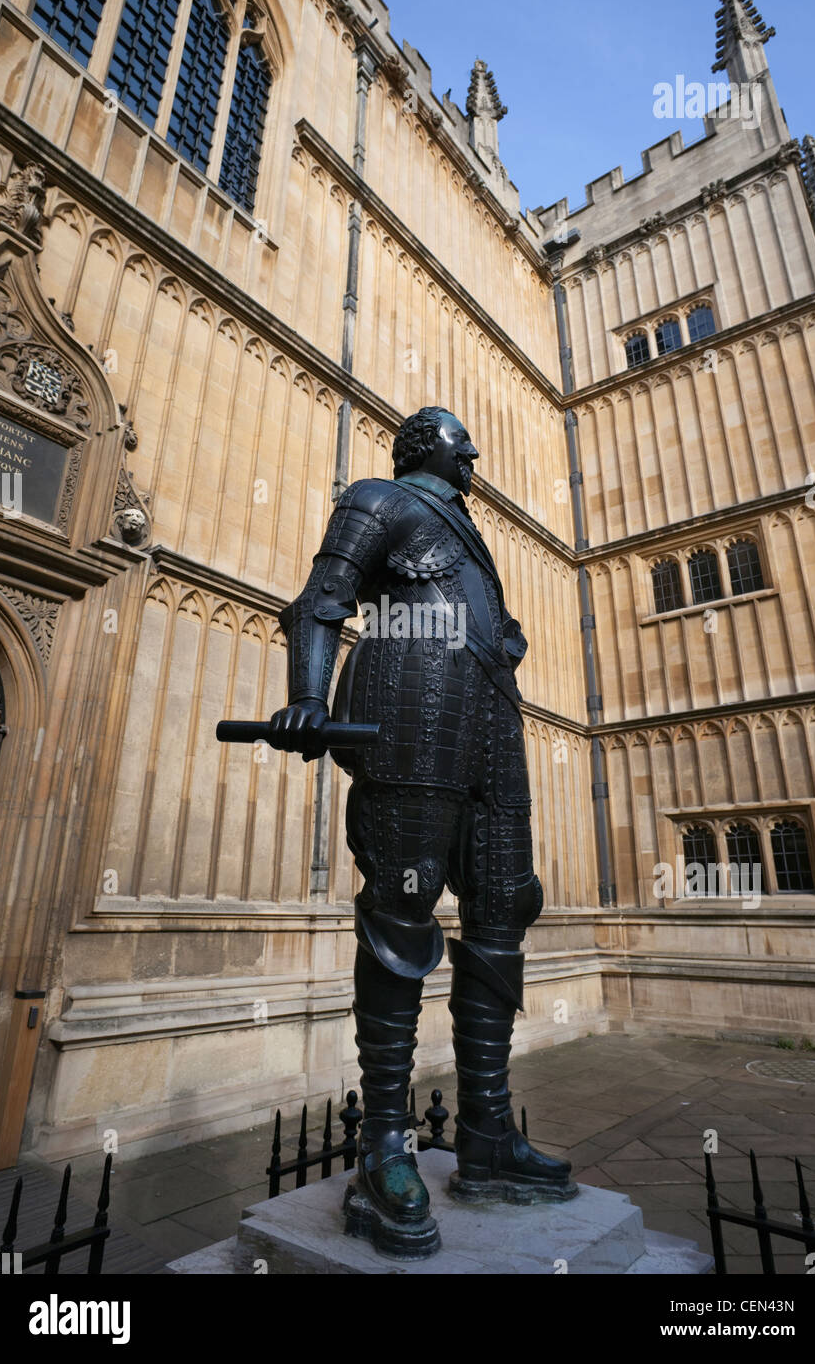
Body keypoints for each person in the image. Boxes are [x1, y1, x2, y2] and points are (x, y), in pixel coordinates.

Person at [271, 406, 577, 1257]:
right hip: (408, 708)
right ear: (421, 450)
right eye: (458, 441)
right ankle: (384, 1148)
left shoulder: (469, 535)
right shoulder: (378, 498)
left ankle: (485, 1137)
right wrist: (306, 696)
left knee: (504, 904)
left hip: (488, 719)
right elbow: (320, 602)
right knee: (402, 917)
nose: (472, 452)